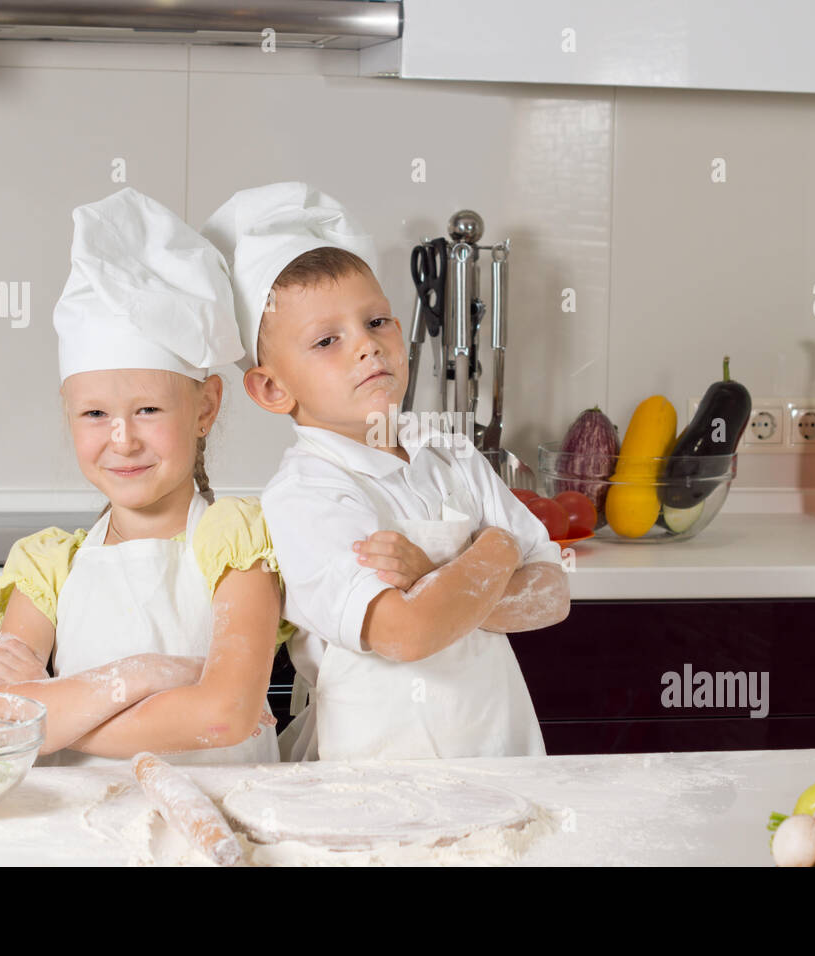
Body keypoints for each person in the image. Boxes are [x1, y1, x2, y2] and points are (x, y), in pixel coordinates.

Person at [202, 182, 570, 762]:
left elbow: (551, 595)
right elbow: (407, 634)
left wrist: (433, 576)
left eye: (377, 321)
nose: (367, 348)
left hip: (504, 764)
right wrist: (495, 549)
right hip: (377, 786)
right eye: (327, 340)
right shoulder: (308, 494)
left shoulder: (452, 455)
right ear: (272, 388)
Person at [0, 186, 292, 766]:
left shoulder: (236, 542)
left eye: (148, 409)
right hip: (87, 837)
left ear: (205, 407)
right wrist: (151, 673)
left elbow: (222, 716)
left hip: (223, 826)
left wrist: (52, 720)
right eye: (95, 413)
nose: (122, 439)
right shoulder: (49, 566)